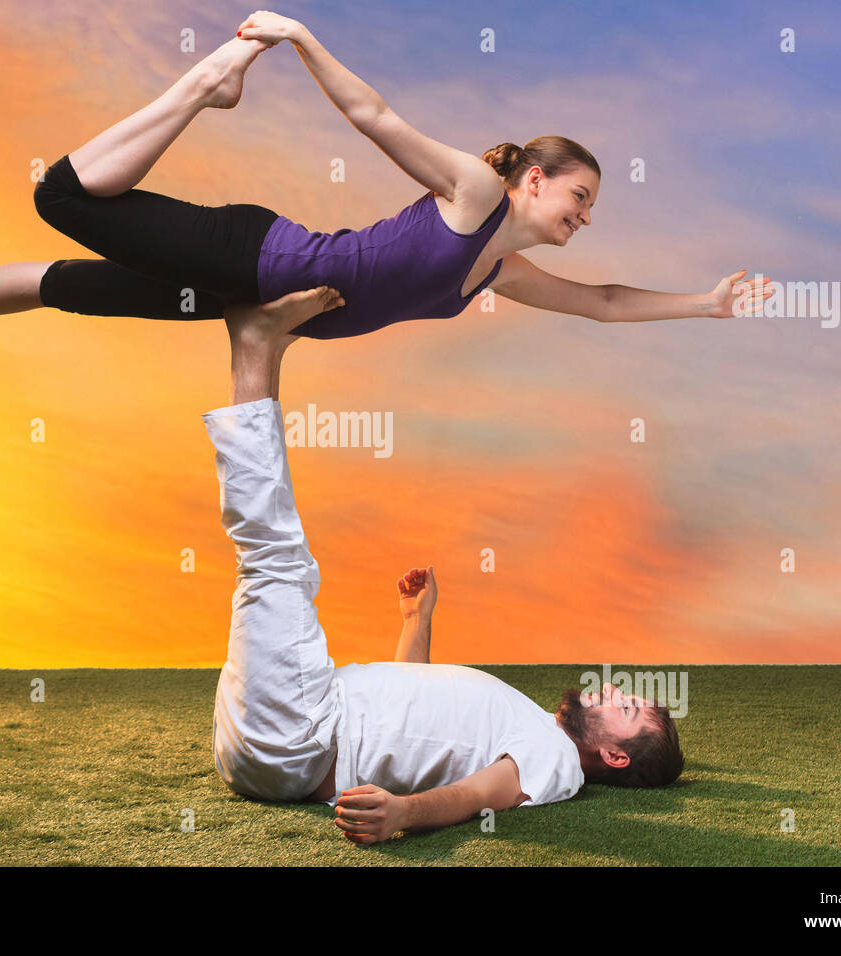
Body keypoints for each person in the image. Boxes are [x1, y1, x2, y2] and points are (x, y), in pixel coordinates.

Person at [0, 12, 774, 347]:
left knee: (59, 290)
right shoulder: (473, 199)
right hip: (259, 250)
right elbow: (375, 118)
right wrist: (299, 39)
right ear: (531, 179)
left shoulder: (497, 271)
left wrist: (707, 303)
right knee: (60, 196)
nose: (584, 218)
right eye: (579, 199)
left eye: (591, 211)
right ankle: (206, 85)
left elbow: (606, 304)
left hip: (247, 299)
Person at [208, 281, 683, 845]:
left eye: (625, 708)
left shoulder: (556, 761)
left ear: (613, 756)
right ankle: (269, 349)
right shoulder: (531, 722)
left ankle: (255, 348)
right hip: (303, 719)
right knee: (275, 559)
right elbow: (418, 703)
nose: (612, 690)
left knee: (275, 558)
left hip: (300, 734)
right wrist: (416, 620)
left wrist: (404, 814)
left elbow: (482, 795)